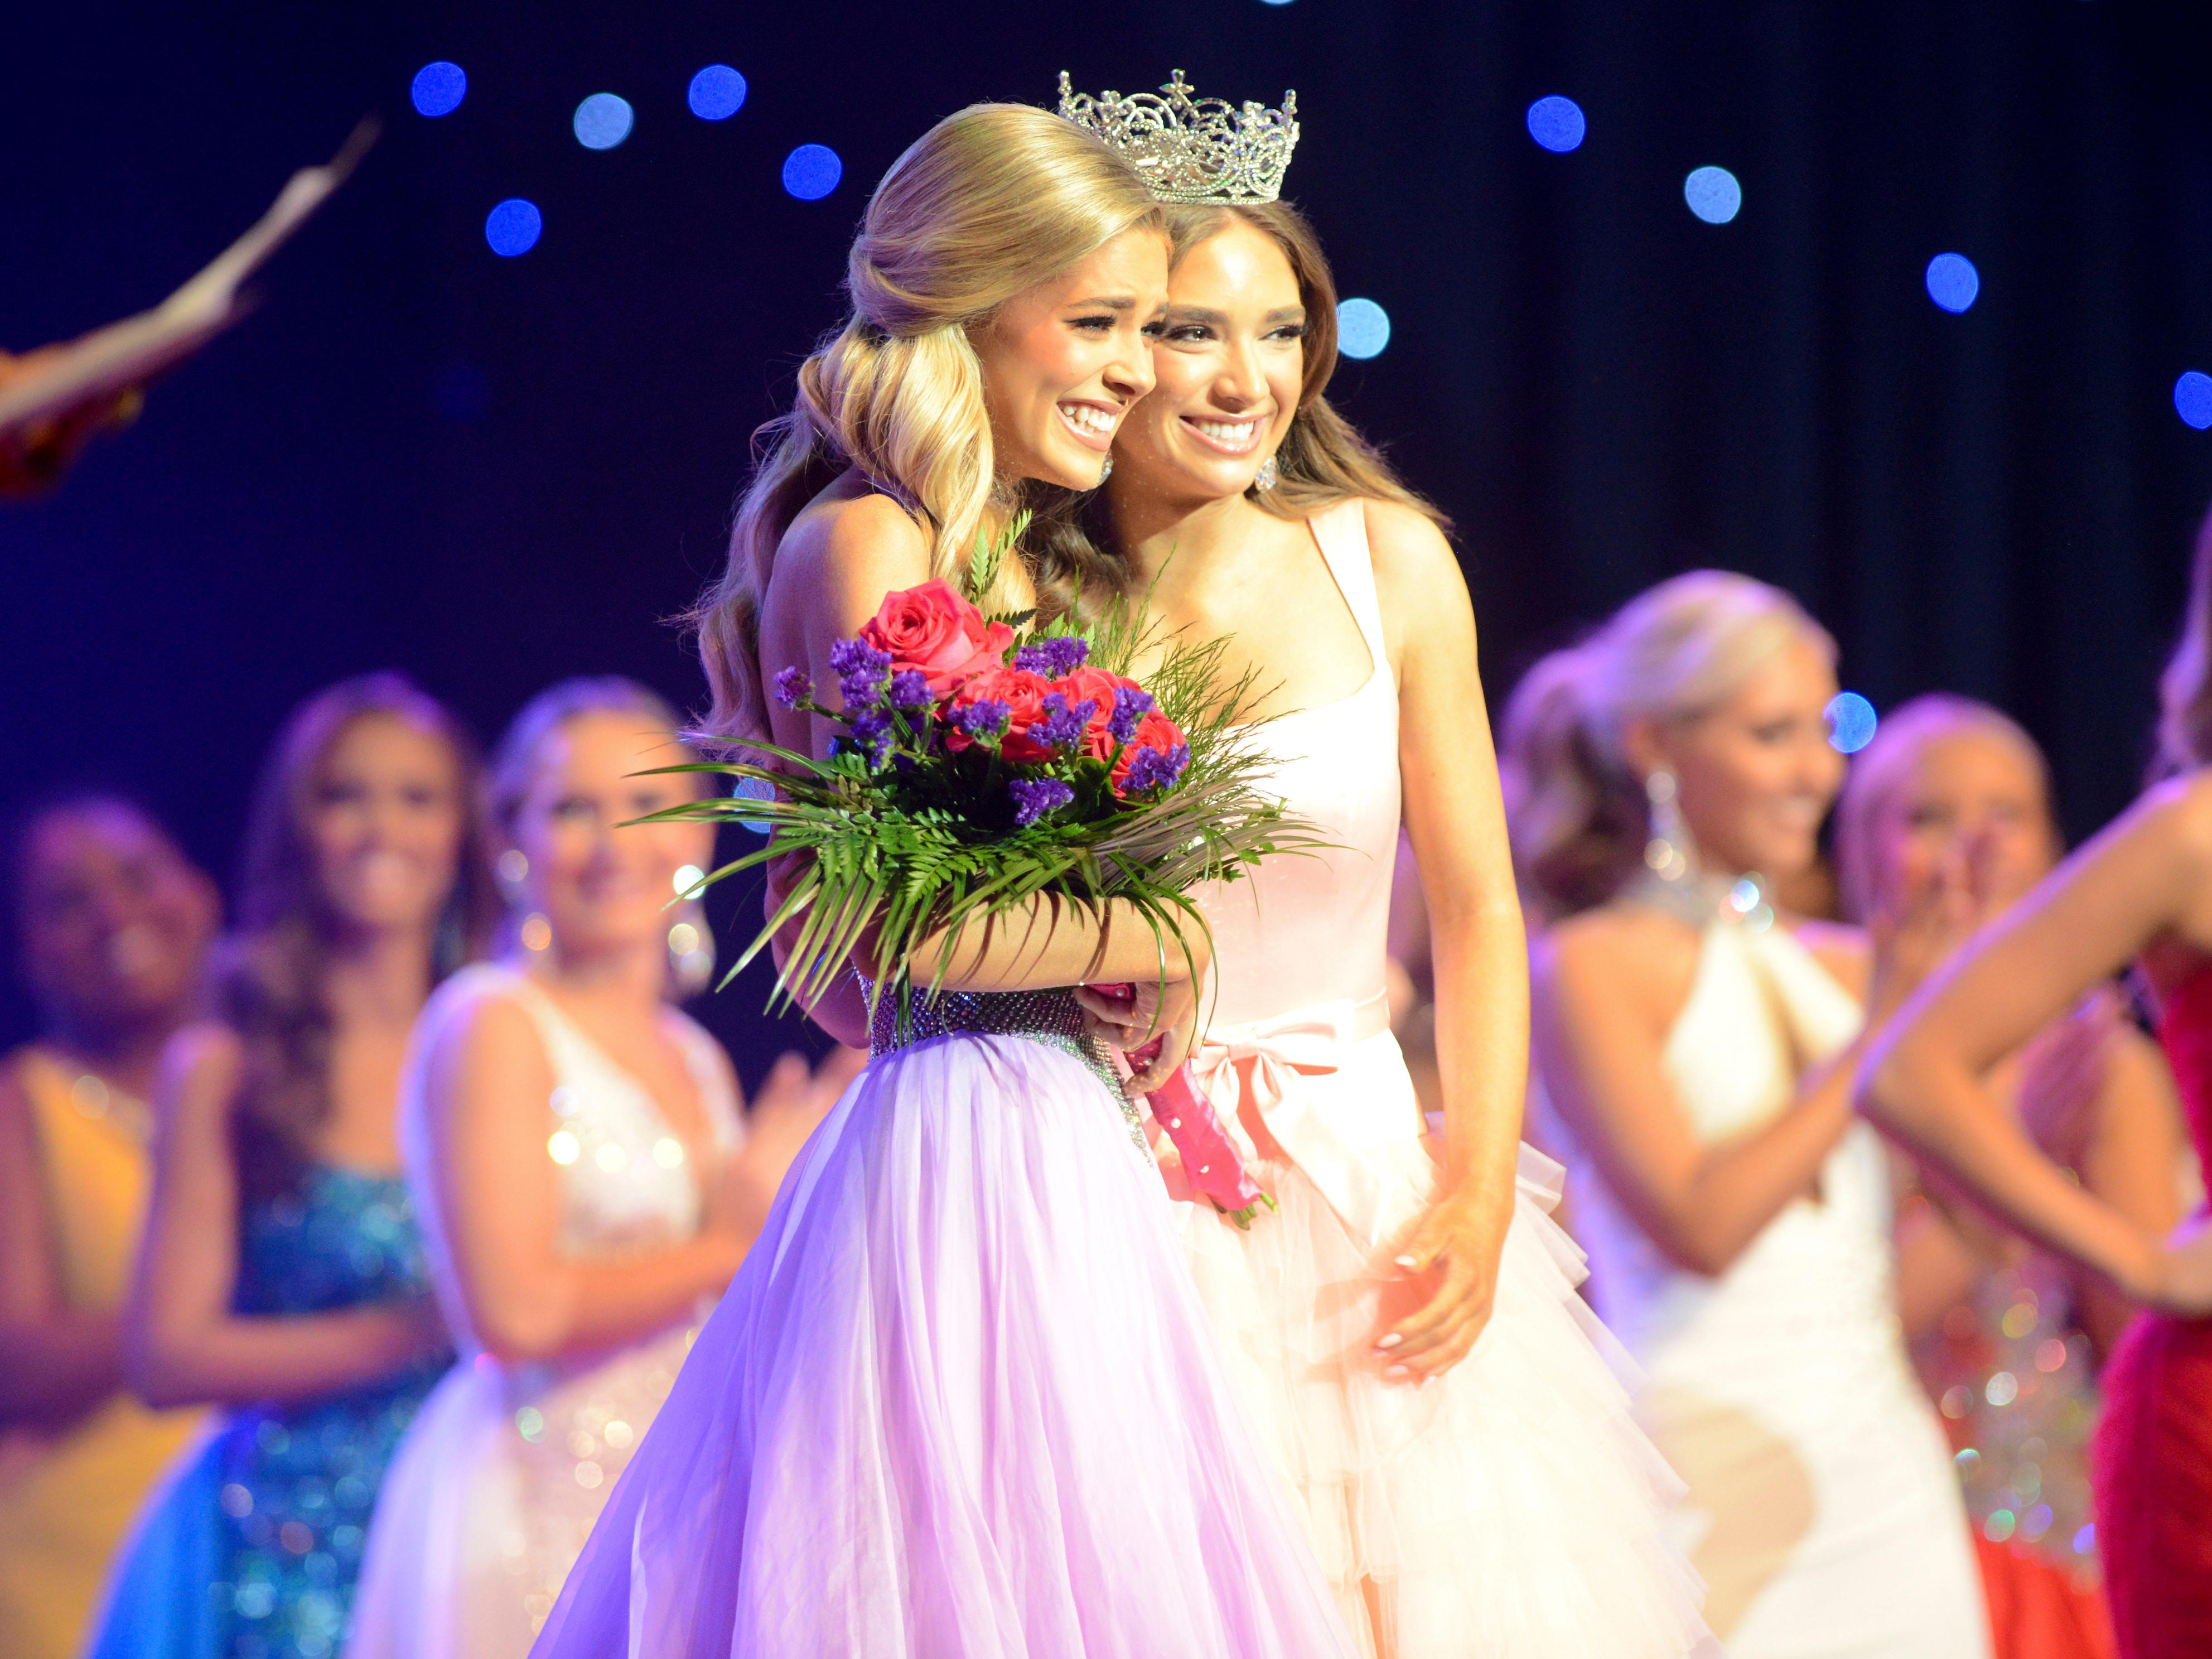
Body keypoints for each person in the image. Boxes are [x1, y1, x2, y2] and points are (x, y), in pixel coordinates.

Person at [530, 102, 1358, 1658]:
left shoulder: (987, 556)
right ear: (971, 311)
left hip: (1045, 1125)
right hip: (969, 1144)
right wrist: (1161, 930)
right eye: (1097, 322)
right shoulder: (865, 548)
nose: (1132, 369)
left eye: (1141, 326)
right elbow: (884, 946)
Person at [1054, 185, 1711, 1657]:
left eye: (1279, 333)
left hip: (1359, 1190)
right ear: (1096, 344)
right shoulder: (1023, 596)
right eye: (1189, 333)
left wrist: (1474, 1187)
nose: (1247, 381)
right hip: (1097, 1189)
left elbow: (1478, 902)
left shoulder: (1384, 558)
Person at [1508, 573, 1991, 1657]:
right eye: (1774, 734)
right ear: (1654, 745)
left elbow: (1927, 1217)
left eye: (1824, 730)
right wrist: (1882, 1032)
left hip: (1889, 1473)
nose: (1821, 770)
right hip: (1708, 1462)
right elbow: (1703, 1223)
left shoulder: (1839, 964)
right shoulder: (1590, 966)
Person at [346, 677, 839, 1656]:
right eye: (575, 808)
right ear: (510, 839)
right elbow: (514, 1314)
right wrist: (732, 1241)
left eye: (650, 802)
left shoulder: (691, 1053)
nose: (616, 844)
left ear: (698, 833)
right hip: (531, 1502)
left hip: (663, 1483)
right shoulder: (490, 1022)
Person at [86, 674, 496, 1659]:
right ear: (296, 824)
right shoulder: (226, 1064)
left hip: (478, 1527)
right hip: (285, 1554)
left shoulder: (509, 1043)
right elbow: (167, 1357)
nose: (378, 828)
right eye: (343, 794)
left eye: (416, 796)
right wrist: (427, 1325)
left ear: (464, 833)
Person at [1859, 518, 2212, 1659]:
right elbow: (1904, 1071)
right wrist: (2142, 1256)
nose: (1972, 844)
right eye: (1926, 815)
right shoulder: (2189, 839)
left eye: (2004, 812)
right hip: (1928, 1486)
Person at [0, 794, 220, 1659]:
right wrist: (218, 1294)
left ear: (202, 892)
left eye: (138, 876)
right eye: (68, 901)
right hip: (79, 1567)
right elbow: (15, 1358)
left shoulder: (281, 1083)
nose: (115, 913)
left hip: (283, 1528)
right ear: (31, 953)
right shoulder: (28, 1103)